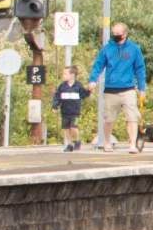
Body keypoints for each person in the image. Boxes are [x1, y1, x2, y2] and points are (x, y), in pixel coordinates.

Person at [89, 21, 146, 152]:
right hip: (110, 89)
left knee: (132, 117)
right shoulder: (107, 49)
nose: (115, 36)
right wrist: (93, 80)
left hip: (128, 89)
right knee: (109, 118)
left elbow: (140, 69)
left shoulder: (134, 49)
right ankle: (107, 142)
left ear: (125, 34)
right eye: (113, 33)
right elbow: (98, 65)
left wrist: (142, 88)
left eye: (118, 34)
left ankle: (132, 144)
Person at [52, 66, 90, 153]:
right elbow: (57, 97)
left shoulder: (78, 86)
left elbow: (84, 95)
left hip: (75, 112)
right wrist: (55, 106)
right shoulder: (62, 86)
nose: (63, 75)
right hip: (65, 111)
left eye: (65, 73)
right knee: (66, 128)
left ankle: (77, 140)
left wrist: (89, 91)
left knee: (73, 127)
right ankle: (69, 144)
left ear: (72, 75)